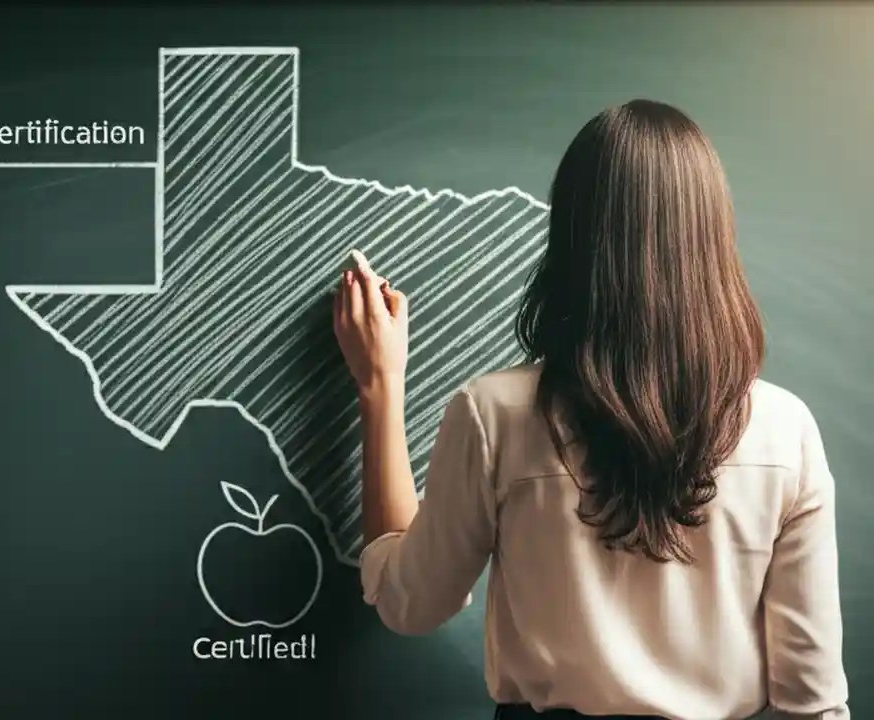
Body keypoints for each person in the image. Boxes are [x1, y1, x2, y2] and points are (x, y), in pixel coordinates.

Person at [332, 99, 848, 719]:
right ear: (712, 239)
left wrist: (380, 387)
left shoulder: (492, 414)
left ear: (571, 237)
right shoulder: (785, 431)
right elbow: (813, 703)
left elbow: (411, 604)